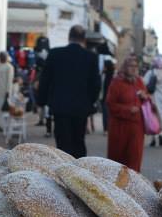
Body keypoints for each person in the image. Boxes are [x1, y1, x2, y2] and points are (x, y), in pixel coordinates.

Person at [37, 24, 101, 158]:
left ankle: (64, 169)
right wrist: (89, 102)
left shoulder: (55, 54)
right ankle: (79, 168)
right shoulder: (91, 57)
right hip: (81, 108)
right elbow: (96, 85)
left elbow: (45, 80)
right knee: (78, 142)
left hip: (60, 107)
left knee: (63, 145)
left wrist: (42, 101)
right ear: (83, 39)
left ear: (69, 37)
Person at [106, 56, 155, 172]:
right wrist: (128, 110)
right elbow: (110, 104)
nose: (134, 69)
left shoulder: (139, 81)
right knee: (118, 160)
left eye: (136, 66)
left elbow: (148, 101)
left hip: (137, 128)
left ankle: (134, 182)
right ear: (125, 67)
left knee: (134, 159)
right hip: (120, 128)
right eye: (130, 66)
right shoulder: (116, 82)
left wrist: (145, 97)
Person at [144, 57, 162, 147]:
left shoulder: (151, 72)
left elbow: (144, 82)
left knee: (154, 117)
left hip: (154, 97)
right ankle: (161, 134)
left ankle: (154, 137)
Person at [0, 51, 15, 132]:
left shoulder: (9, 67)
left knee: (3, 109)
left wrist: (8, 92)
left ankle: (3, 126)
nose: (0, 58)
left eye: (2, 56)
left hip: (5, 91)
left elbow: (9, 81)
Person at [100, 59, 115, 134]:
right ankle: (107, 128)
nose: (103, 67)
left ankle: (106, 129)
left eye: (104, 66)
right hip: (107, 97)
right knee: (107, 114)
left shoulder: (106, 76)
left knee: (106, 114)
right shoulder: (110, 76)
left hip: (106, 97)